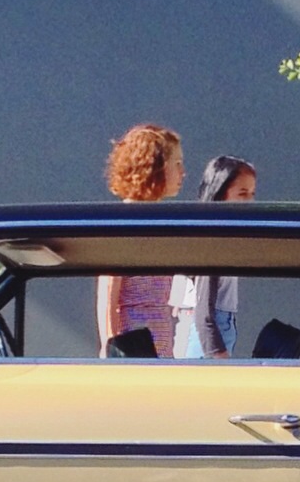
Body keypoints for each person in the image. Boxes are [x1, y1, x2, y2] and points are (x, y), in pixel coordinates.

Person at [96, 123, 183, 355]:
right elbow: (108, 297)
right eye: (176, 164)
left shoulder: (161, 222)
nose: (183, 172)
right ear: (154, 167)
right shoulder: (123, 224)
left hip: (161, 340)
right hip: (132, 341)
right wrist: (110, 348)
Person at [172, 155, 257, 359]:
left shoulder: (216, 235)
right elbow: (203, 311)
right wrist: (217, 352)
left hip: (215, 324)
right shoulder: (213, 239)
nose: (250, 201)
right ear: (220, 193)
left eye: (252, 194)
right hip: (210, 330)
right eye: (242, 193)